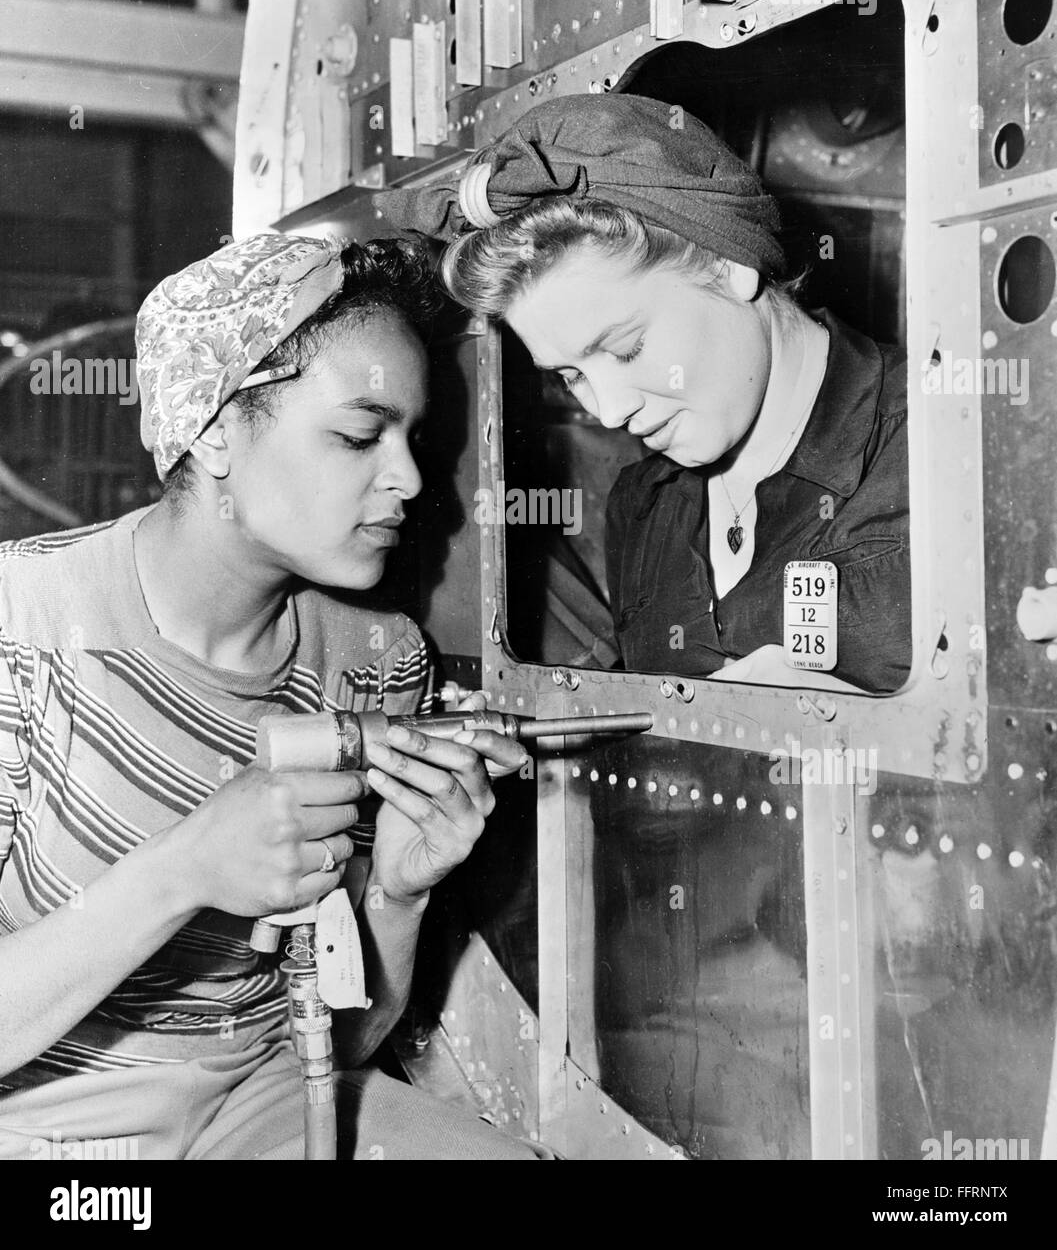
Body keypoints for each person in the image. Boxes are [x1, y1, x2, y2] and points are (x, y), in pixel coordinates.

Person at [0, 233, 546, 1160]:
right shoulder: (24, 625)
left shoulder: (375, 658)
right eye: (357, 434)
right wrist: (180, 870)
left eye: (415, 439)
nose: (411, 480)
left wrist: (401, 898)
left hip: (267, 1097)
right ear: (213, 426)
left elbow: (344, 1040)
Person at [377, 92, 911, 694]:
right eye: (569, 376)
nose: (608, 412)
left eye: (626, 348)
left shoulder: (953, 440)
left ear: (727, 262)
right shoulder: (642, 505)